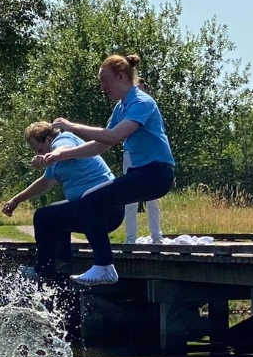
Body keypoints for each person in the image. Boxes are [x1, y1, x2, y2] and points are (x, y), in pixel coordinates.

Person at [35, 53, 177, 286]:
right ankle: (98, 263)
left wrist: (71, 126)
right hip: (142, 174)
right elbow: (101, 145)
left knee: (91, 200)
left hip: (157, 173)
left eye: (105, 81)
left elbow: (114, 135)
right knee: (90, 202)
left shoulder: (142, 102)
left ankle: (104, 265)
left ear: (121, 76)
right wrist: (64, 154)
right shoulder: (122, 108)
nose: (102, 87)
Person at [2, 121, 117, 280]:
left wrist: (51, 155)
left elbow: (65, 149)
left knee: (44, 217)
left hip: (105, 209)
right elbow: (45, 182)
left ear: (49, 140)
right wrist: (16, 200)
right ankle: (59, 259)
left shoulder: (63, 140)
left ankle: (44, 270)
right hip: (94, 211)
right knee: (54, 212)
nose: (41, 153)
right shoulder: (55, 160)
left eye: (40, 149)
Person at [124, 79, 164, 245]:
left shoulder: (148, 106)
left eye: (140, 89)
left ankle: (157, 237)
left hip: (148, 155)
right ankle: (130, 239)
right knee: (130, 199)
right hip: (131, 154)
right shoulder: (126, 108)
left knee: (152, 199)